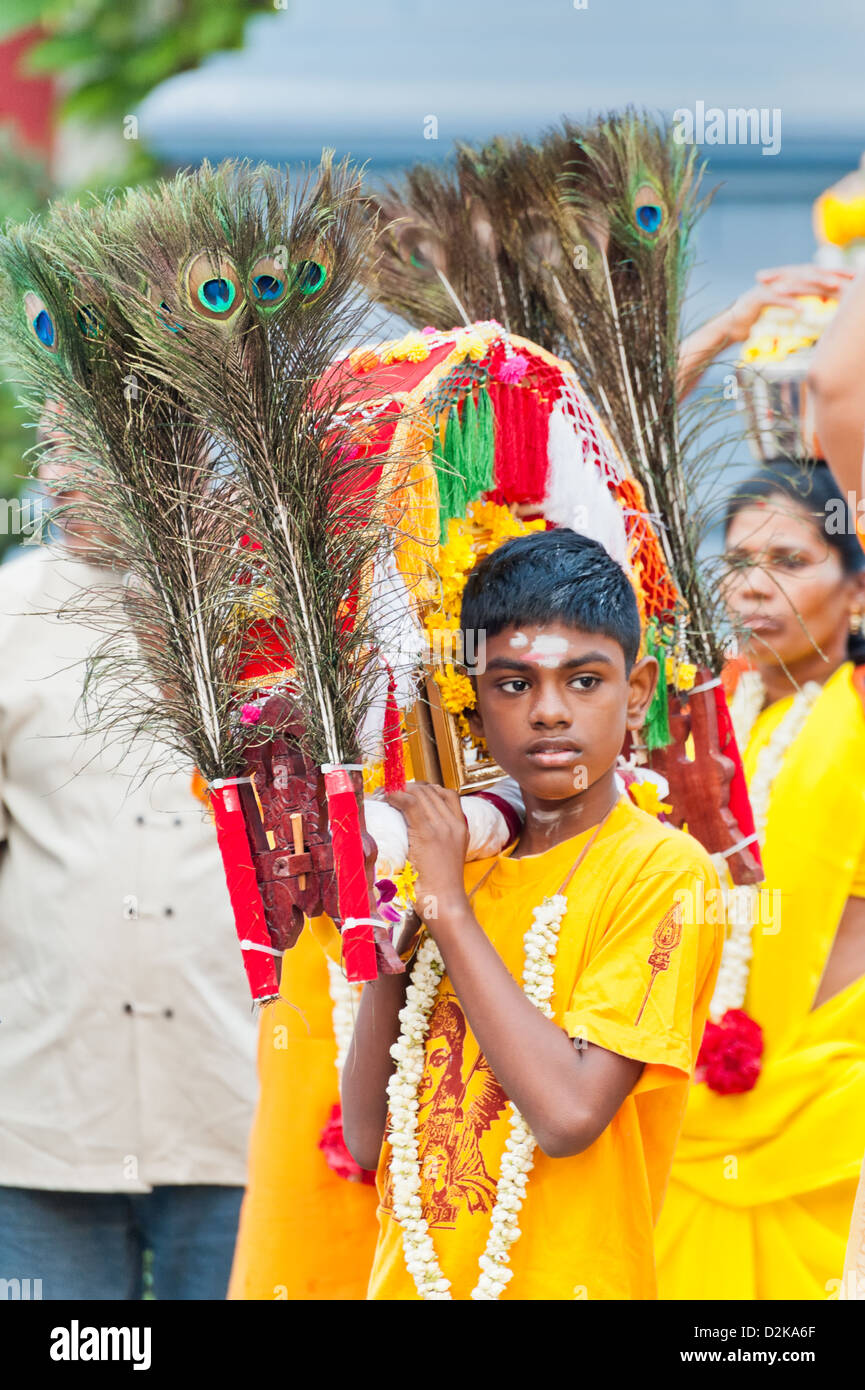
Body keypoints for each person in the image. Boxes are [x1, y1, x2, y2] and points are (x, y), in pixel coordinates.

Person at [339, 529, 724, 1300]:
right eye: (513, 686)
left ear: (639, 690)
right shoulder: (457, 863)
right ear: (469, 704)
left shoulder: (661, 872)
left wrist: (446, 906)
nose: (549, 712)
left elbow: (567, 1117)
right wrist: (387, 972)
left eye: (583, 681)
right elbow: (365, 1138)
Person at [0, 416, 257, 1300]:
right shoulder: (9, 615)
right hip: (45, 1113)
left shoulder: (263, 606)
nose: (59, 473)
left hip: (238, 1101)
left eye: (91, 440)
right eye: (49, 445)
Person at [655, 461, 865, 1300]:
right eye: (738, 561)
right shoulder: (708, 724)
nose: (752, 587)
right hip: (694, 1109)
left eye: (789, 560)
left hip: (827, 1117)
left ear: (855, 589)